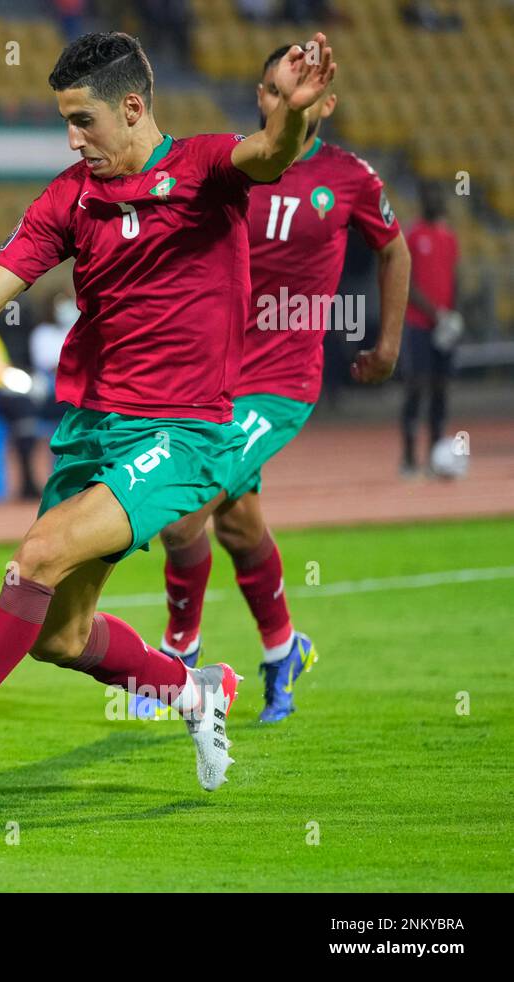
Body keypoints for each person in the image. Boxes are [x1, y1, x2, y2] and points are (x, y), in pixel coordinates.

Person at [0, 31, 336, 804]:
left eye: (84, 121)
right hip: (93, 429)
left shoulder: (205, 169)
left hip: (181, 434)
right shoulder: (69, 198)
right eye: (67, 123)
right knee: (60, 636)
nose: (74, 139)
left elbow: (271, 153)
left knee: (38, 555)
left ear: (132, 107)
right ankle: (195, 691)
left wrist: (296, 117)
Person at [140, 43, 410, 723]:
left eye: (289, 91)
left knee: (182, 510)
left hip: (281, 383)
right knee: (237, 523)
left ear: (326, 102)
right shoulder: (237, 164)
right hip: (214, 376)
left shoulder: (349, 176)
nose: (277, 99)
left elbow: (394, 248)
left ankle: (178, 659)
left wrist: (388, 343)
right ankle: (283, 648)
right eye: (267, 89)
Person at [400, 181, 461, 478]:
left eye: (438, 195)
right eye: (429, 195)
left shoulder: (449, 237)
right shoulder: (414, 235)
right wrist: (436, 314)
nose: (434, 200)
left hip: (443, 327)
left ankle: (437, 454)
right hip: (418, 325)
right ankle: (409, 457)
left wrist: (452, 316)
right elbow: (408, 283)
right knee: (416, 385)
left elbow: (454, 278)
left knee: (441, 387)